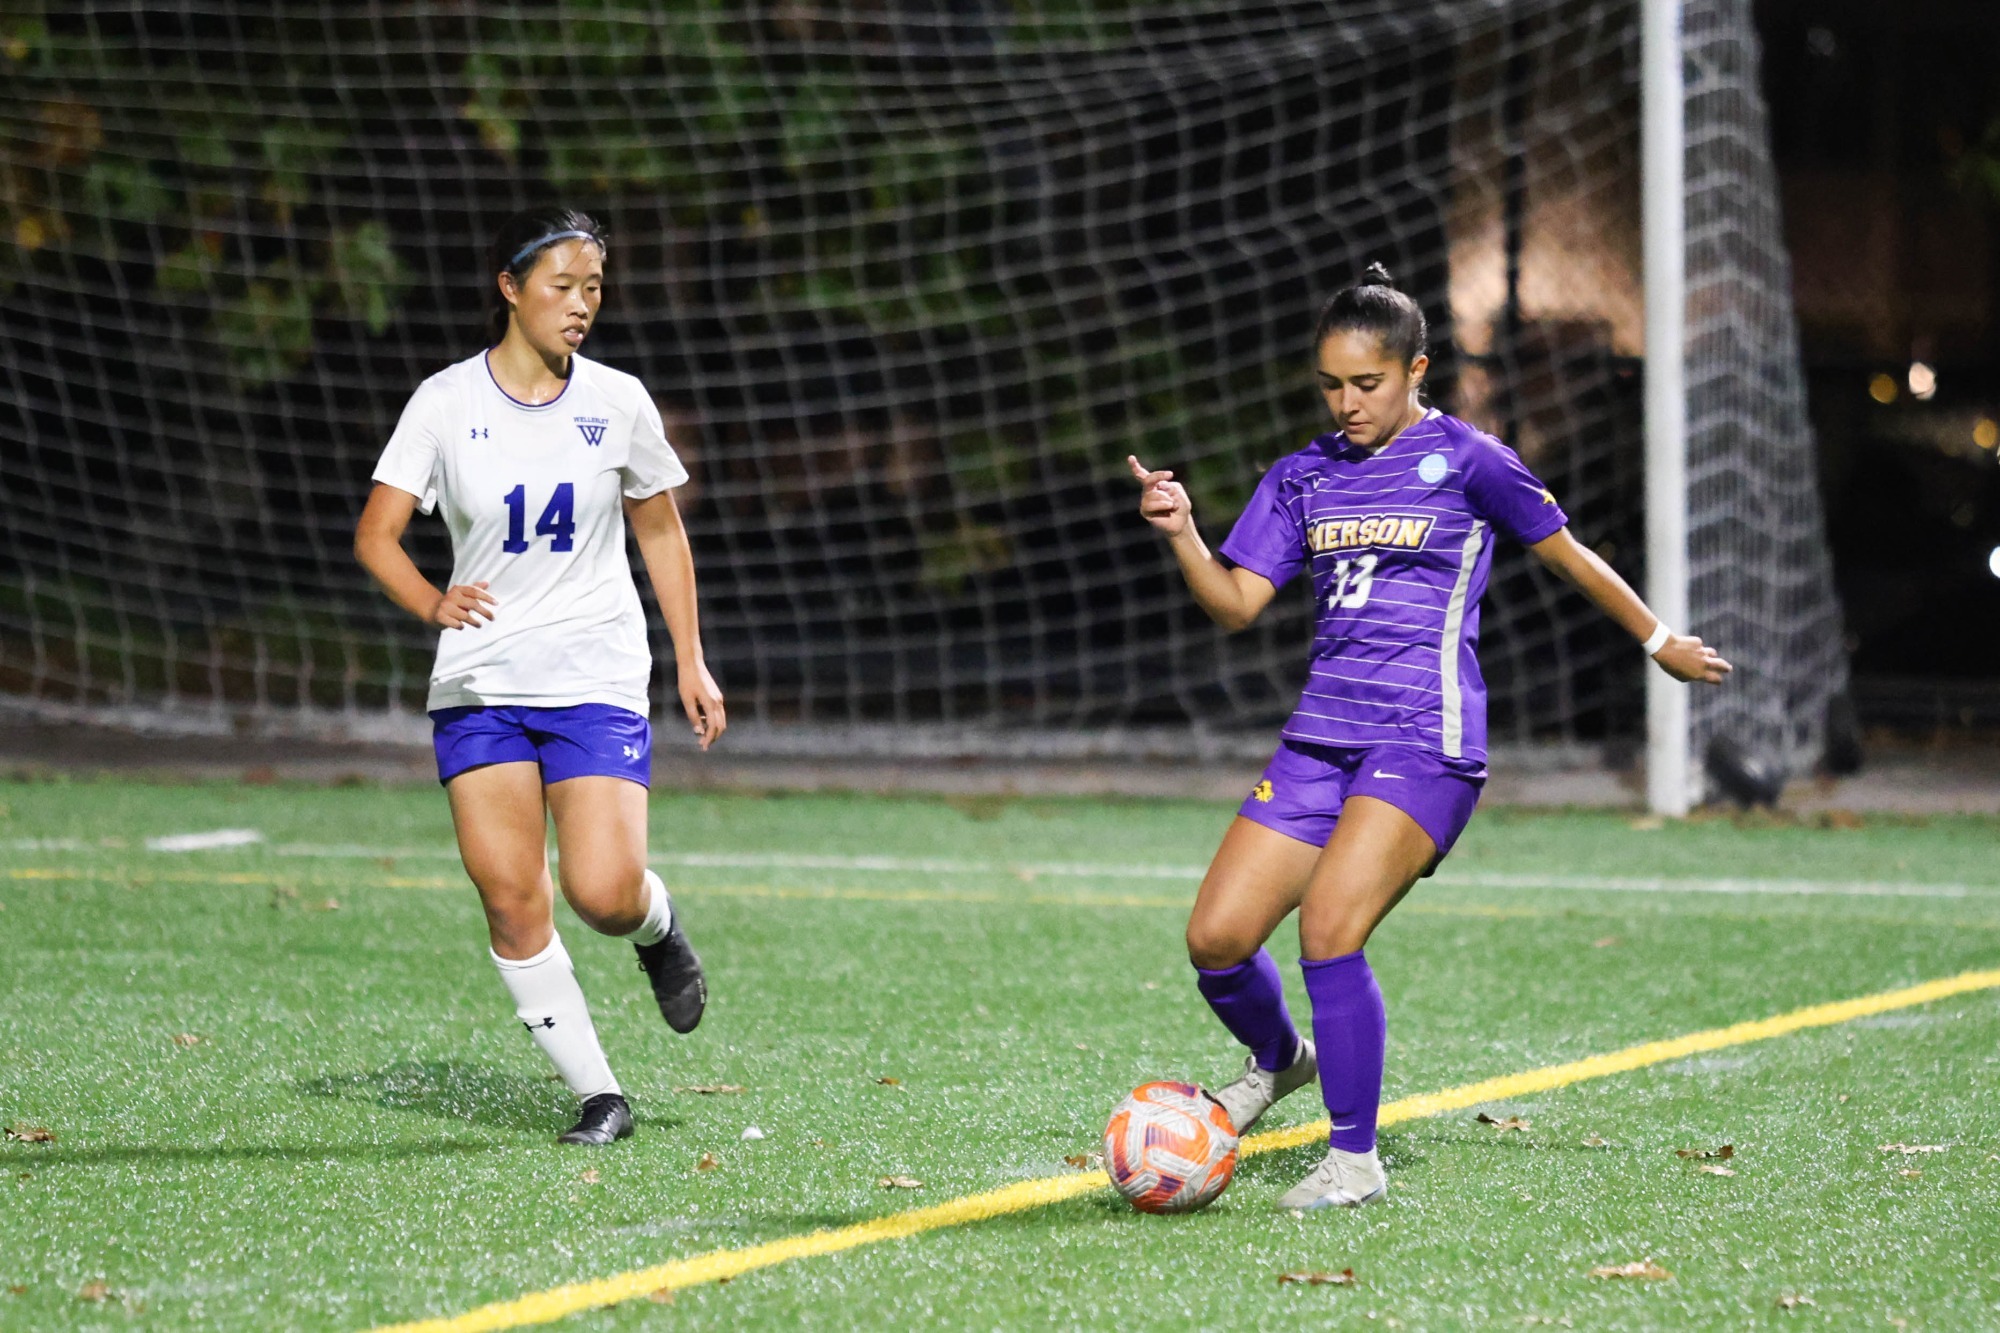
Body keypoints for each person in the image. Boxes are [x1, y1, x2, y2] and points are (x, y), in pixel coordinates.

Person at [1127, 263, 1729, 1209]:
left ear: (1416, 369)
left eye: (1366, 383)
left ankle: (1354, 1159)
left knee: (1331, 929)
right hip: (1319, 741)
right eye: (1331, 384)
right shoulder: (1302, 476)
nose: (1347, 401)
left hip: (1424, 740)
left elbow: (1569, 557)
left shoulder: (1471, 458)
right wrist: (1184, 535)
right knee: (1217, 939)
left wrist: (1659, 640)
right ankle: (1281, 1061)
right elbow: (1238, 604)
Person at [353, 207, 726, 1145]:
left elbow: (659, 529)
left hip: (593, 671)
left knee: (601, 891)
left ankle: (657, 926)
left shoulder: (618, 401)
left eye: (594, 287)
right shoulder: (444, 402)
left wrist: (690, 656)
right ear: (510, 288)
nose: (581, 304)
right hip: (481, 685)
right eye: (562, 285)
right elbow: (377, 534)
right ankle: (601, 1095)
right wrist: (433, 602)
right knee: (513, 897)